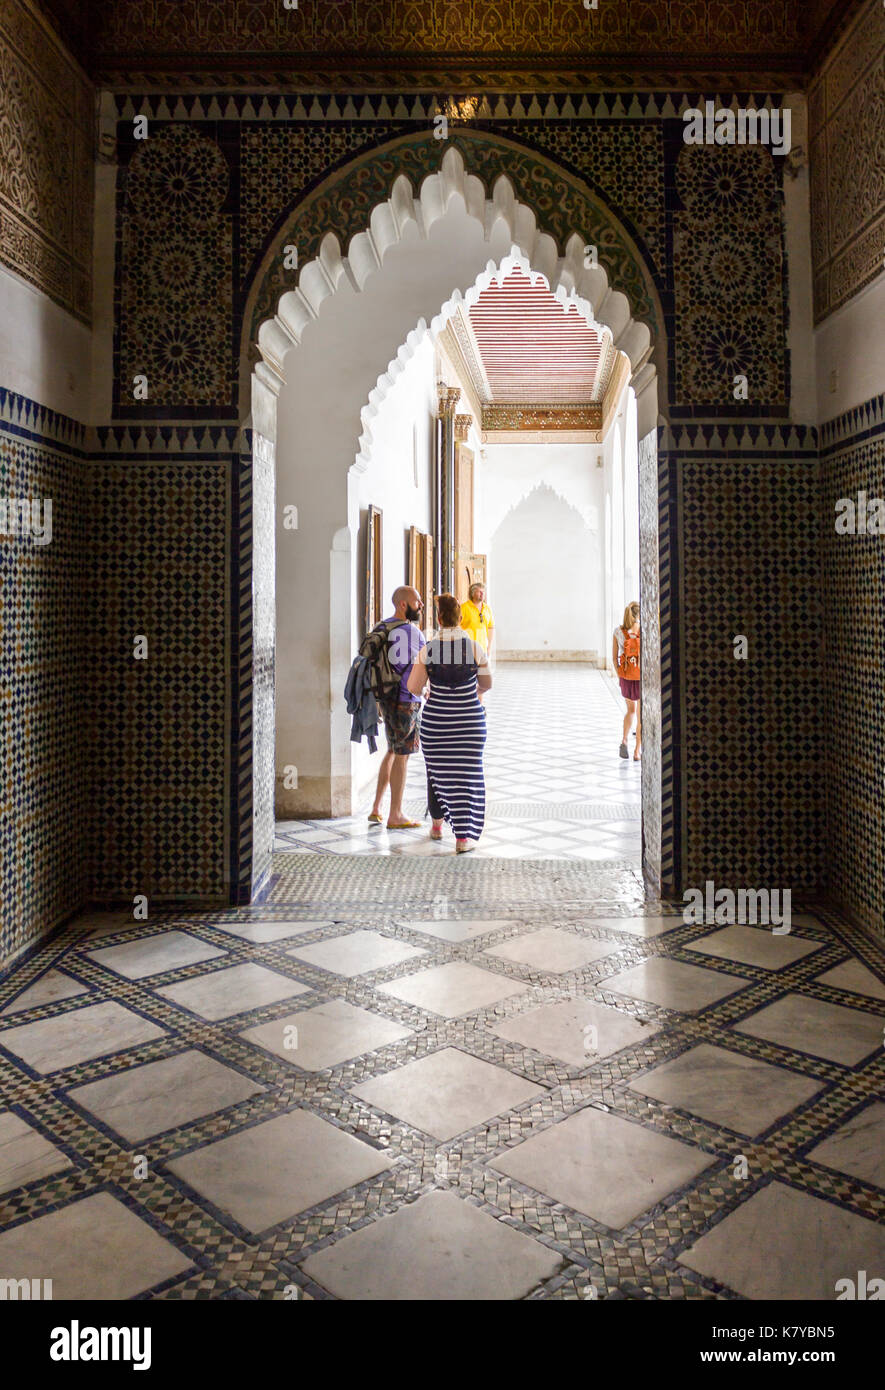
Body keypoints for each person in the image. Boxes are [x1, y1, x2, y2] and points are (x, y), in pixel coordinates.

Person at [408, 593, 491, 852]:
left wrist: (431, 692)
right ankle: (463, 839)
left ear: (440, 618)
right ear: (460, 617)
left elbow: (413, 687)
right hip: (470, 723)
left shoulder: (428, 650)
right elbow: (487, 684)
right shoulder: (475, 648)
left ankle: (436, 825)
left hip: (437, 724)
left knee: (437, 773)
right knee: (468, 775)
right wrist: (468, 694)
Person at [368, 585, 426, 829]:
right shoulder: (411, 632)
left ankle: (376, 808)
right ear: (404, 604)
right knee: (402, 757)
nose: (421, 605)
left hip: (386, 699)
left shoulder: (381, 627)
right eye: (417, 601)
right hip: (406, 700)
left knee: (392, 750)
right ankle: (396, 814)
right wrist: (423, 691)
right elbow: (418, 669)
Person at [613, 601, 641, 762]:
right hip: (640, 677)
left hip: (626, 677)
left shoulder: (618, 632)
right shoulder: (643, 631)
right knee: (640, 715)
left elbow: (614, 657)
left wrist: (620, 676)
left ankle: (624, 740)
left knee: (630, 710)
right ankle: (637, 751)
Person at [460, 582, 495, 655]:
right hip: (468, 649)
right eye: (480, 592)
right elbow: (457, 627)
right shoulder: (463, 608)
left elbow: (490, 628)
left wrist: (489, 648)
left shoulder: (487, 609)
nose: (482, 594)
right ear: (472, 594)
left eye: (484, 592)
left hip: (483, 649)